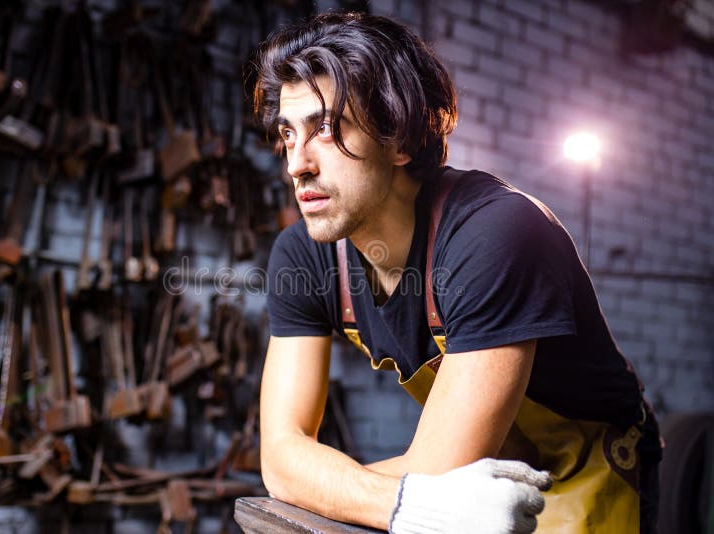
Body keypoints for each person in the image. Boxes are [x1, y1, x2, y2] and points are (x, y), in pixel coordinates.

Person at [252, 12, 661, 534]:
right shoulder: (305, 256)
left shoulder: (496, 233)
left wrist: (329, 485)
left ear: (399, 138)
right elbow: (281, 456)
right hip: (472, 490)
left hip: (591, 476)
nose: (296, 164)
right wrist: (404, 501)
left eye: (327, 128)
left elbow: (437, 477)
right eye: (289, 133)